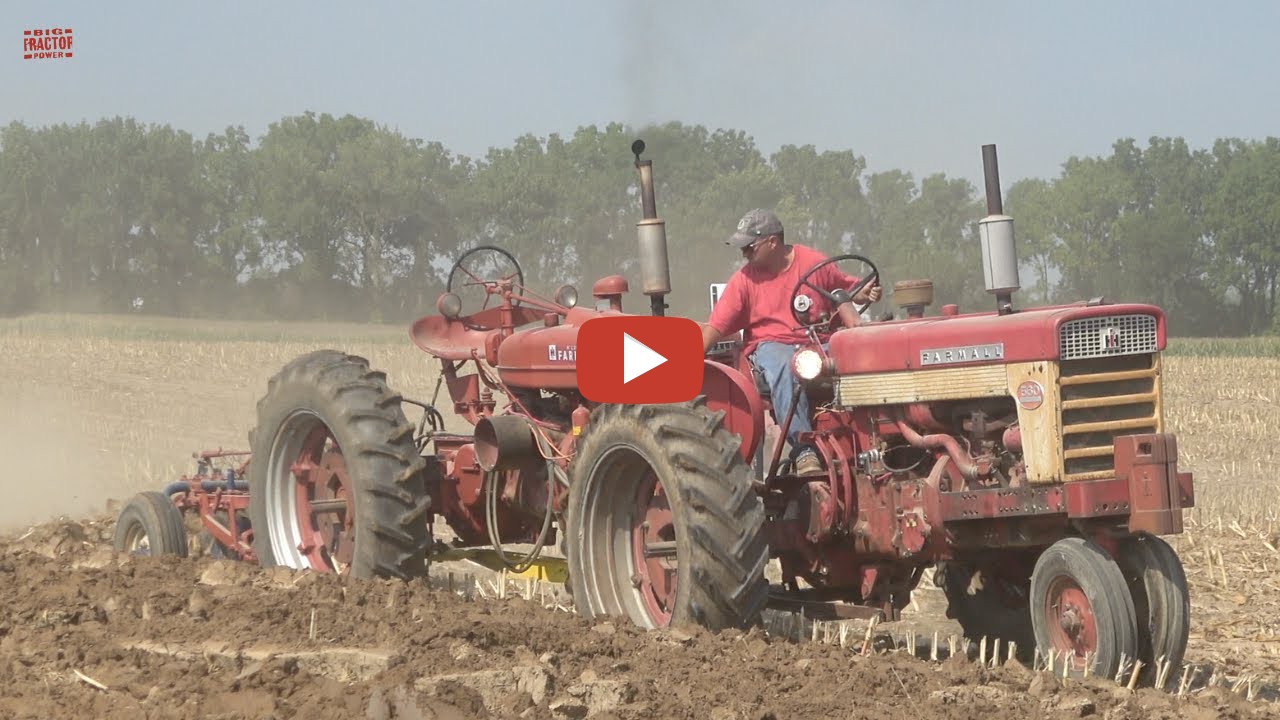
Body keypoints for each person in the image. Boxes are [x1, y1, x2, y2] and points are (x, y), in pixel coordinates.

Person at [701, 208, 881, 476]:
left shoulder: (813, 263)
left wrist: (865, 293)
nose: (745, 255)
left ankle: (875, 438)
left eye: (749, 248)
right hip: (772, 346)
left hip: (819, 342)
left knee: (863, 355)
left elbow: (848, 288)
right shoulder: (744, 281)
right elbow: (716, 327)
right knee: (786, 366)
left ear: (772, 242)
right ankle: (803, 448)